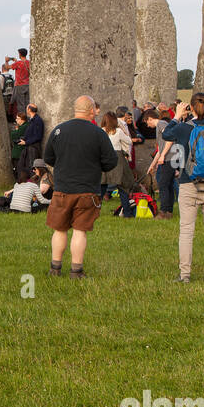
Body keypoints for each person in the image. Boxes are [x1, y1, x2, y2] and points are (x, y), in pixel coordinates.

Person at [42, 95, 116, 279]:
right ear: (92, 110)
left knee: (59, 229)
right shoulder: (98, 133)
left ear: (75, 109)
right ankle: (76, 271)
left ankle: (55, 268)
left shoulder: (59, 130)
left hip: (61, 188)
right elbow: (110, 162)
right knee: (79, 230)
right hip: (87, 189)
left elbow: (48, 158)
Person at [161, 93, 204, 282]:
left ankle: (185, 274)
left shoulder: (183, 128)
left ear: (190, 107)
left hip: (188, 181)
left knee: (187, 230)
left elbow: (166, 134)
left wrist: (176, 116)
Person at [101, 111, 137, 216]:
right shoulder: (118, 131)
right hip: (117, 158)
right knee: (122, 186)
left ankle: (94, 211)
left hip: (104, 158)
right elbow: (129, 141)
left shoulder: (101, 131)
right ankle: (127, 212)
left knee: (102, 186)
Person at [16, 103, 44, 182]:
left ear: (29, 110)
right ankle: (24, 184)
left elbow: (38, 136)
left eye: (27, 107)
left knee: (32, 167)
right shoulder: (31, 120)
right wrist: (23, 140)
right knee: (21, 165)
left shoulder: (38, 120)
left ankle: (33, 186)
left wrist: (26, 142)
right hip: (28, 146)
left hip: (34, 147)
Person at [5, 48, 30, 112]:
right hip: (27, 84)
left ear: (20, 54)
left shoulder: (18, 63)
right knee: (27, 103)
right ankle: (28, 118)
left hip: (20, 85)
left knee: (20, 104)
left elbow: (7, 67)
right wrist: (15, 61)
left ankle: (22, 120)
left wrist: (7, 61)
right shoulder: (29, 62)